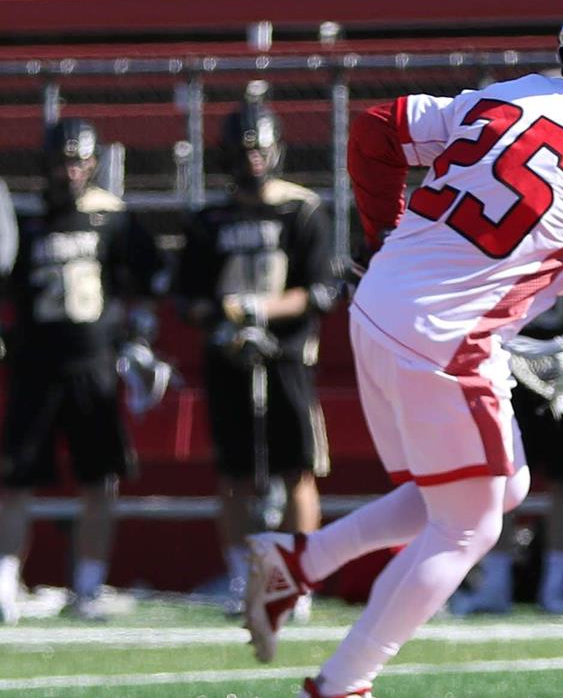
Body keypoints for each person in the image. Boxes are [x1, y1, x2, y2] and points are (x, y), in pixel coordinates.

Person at [241, 0, 563, 698]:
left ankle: (300, 558)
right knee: (469, 525)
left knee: (492, 487)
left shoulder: (510, 94)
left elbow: (376, 131)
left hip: (380, 309)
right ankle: (338, 688)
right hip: (447, 337)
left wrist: (386, 237)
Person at [176, 102, 336, 618]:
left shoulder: (302, 209)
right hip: (228, 356)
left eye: (261, 148)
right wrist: (229, 315)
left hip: (287, 356)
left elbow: (321, 290)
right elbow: (188, 298)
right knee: (233, 474)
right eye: (245, 149)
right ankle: (241, 577)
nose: (254, 159)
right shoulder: (210, 219)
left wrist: (262, 310)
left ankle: (296, 579)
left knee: (297, 469)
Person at [0, 119, 163, 624]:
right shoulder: (24, 220)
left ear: (92, 164)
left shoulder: (112, 218)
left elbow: (152, 278)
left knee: (99, 479)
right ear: (45, 165)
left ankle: (89, 584)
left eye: (78, 161)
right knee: (15, 479)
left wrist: (138, 336)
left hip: (93, 366)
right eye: (61, 161)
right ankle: (5, 581)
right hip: (36, 364)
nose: (70, 171)